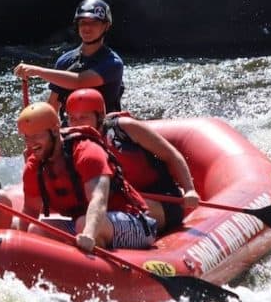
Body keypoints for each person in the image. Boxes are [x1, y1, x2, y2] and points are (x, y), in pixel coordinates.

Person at [16, 101, 157, 252]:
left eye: (36, 136)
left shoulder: (87, 152)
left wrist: (89, 233)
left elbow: (98, 199)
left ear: (55, 130)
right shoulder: (34, 167)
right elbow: (30, 210)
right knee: (36, 230)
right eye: (27, 137)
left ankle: (98, 269)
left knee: (83, 224)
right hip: (83, 224)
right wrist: (18, 245)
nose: (30, 143)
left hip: (137, 224)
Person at [64, 89, 201, 233]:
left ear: (99, 117)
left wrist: (189, 189)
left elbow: (171, 155)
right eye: (72, 118)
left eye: (83, 117)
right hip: (117, 202)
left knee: (100, 211)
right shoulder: (71, 143)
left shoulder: (126, 128)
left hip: (161, 200)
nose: (76, 125)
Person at [13, 0, 124, 117]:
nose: (87, 28)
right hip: (72, 128)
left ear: (106, 26)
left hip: (104, 128)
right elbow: (53, 105)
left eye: (93, 23)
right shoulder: (64, 61)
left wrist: (37, 71)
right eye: (83, 23)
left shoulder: (113, 63)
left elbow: (80, 81)